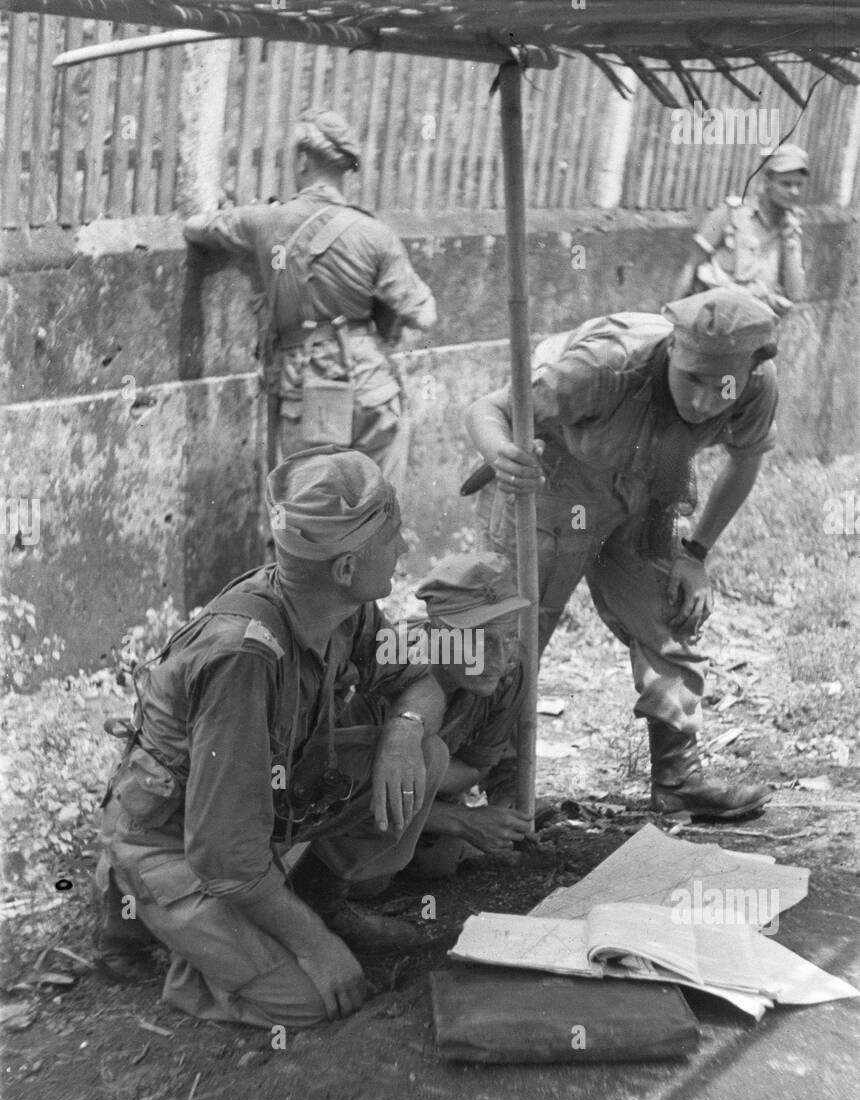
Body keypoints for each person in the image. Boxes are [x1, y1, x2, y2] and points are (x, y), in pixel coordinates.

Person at [94, 447, 450, 1029]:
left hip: (249, 812)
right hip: (175, 844)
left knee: (427, 757)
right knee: (308, 1002)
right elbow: (225, 857)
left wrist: (403, 736)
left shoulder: (342, 608)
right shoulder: (243, 658)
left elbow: (419, 681)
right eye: (395, 537)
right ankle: (190, 952)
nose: (405, 548)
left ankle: (309, 907)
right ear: (344, 568)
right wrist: (314, 948)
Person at [465, 287, 780, 821]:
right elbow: (489, 408)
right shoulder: (601, 370)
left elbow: (744, 460)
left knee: (667, 615)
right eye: (691, 381)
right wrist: (501, 454)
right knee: (515, 636)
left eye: (721, 387)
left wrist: (695, 553)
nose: (703, 402)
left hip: (646, 493)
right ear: (672, 352)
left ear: (751, 370)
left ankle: (677, 779)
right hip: (553, 486)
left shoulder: (756, 387)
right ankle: (504, 790)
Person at [183, 108, 437, 485]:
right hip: (371, 387)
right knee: (379, 514)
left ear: (303, 159)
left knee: (309, 518)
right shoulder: (375, 233)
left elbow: (195, 228)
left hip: (308, 389)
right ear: (343, 169)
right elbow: (424, 315)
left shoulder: (265, 221)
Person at [346, 552, 533, 883]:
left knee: (438, 862)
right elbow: (354, 796)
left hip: (411, 803)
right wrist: (460, 819)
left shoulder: (507, 672)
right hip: (351, 810)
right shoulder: (386, 670)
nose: (499, 660)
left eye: (507, 637)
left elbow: (476, 769)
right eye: (482, 643)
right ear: (438, 632)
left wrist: (416, 778)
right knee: (369, 879)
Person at [673, 144, 809, 316]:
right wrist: (671, 321)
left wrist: (790, 245)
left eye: (799, 185)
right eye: (786, 184)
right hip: (714, 323)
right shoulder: (729, 214)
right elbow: (691, 266)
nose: (794, 191)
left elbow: (796, 295)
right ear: (767, 183)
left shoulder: (791, 229)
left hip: (756, 328)